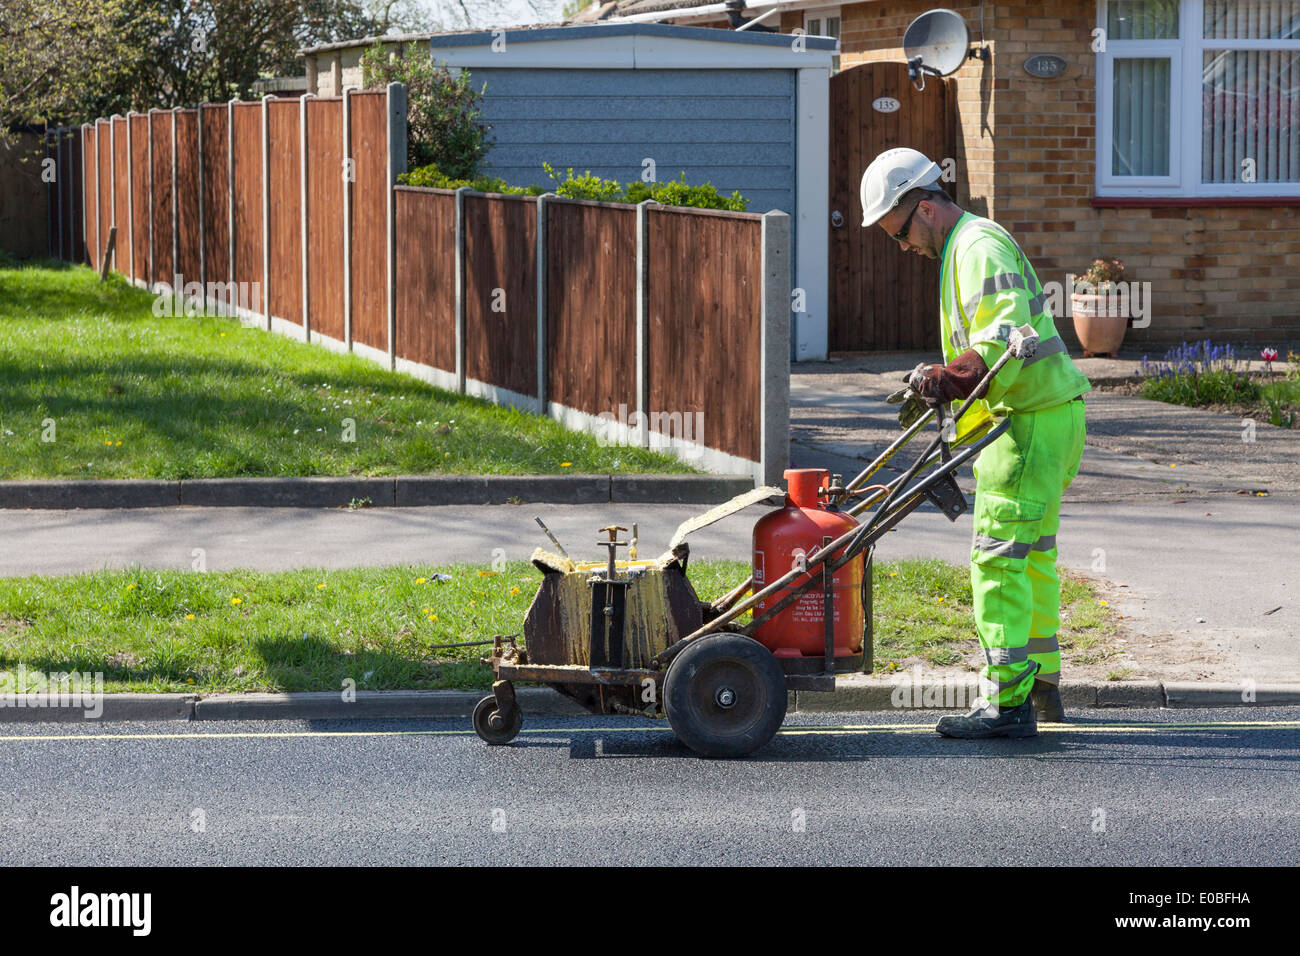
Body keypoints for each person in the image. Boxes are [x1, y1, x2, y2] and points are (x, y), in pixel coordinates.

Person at [858, 147, 1091, 738]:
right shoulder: (967, 245)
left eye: (900, 233)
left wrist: (950, 379)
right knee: (1031, 559)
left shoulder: (976, 246)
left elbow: (1008, 334)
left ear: (926, 207)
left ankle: (1005, 703)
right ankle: (1041, 688)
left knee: (997, 564)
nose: (904, 247)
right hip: (1047, 417)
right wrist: (946, 379)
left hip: (1026, 422)